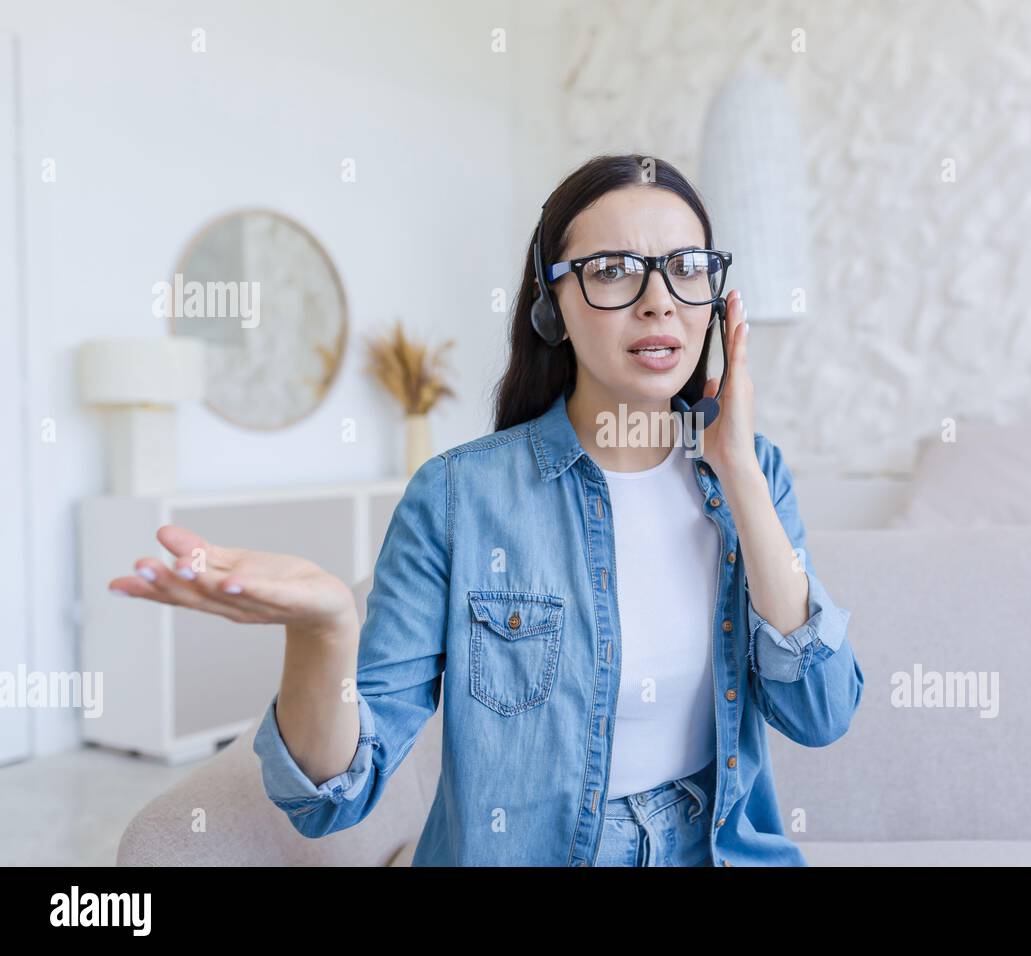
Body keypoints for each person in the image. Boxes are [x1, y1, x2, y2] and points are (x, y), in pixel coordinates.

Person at [108, 153, 864, 866]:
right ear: (552, 309)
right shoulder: (458, 497)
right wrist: (323, 629)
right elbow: (336, 794)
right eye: (611, 271)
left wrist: (735, 468)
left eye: (685, 268)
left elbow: (821, 715)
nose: (659, 299)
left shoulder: (754, 474)